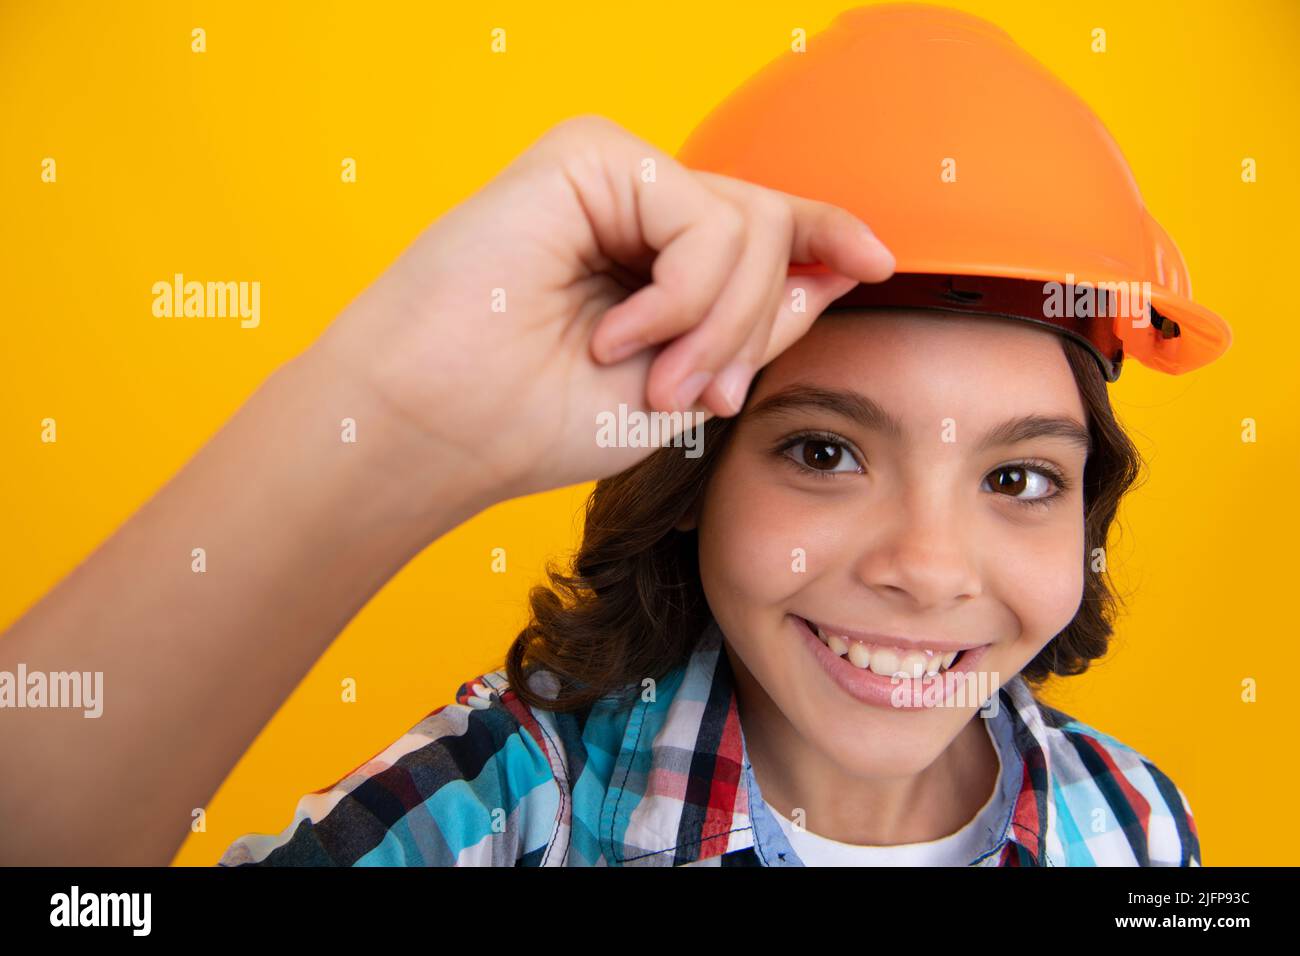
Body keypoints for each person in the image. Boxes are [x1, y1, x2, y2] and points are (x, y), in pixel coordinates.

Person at [0, 4, 1224, 867]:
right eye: (823, 450)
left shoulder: (1135, 824)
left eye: (1017, 474)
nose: (928, 564)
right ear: (692, 476)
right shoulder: (515, 801)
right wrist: (389, 410)